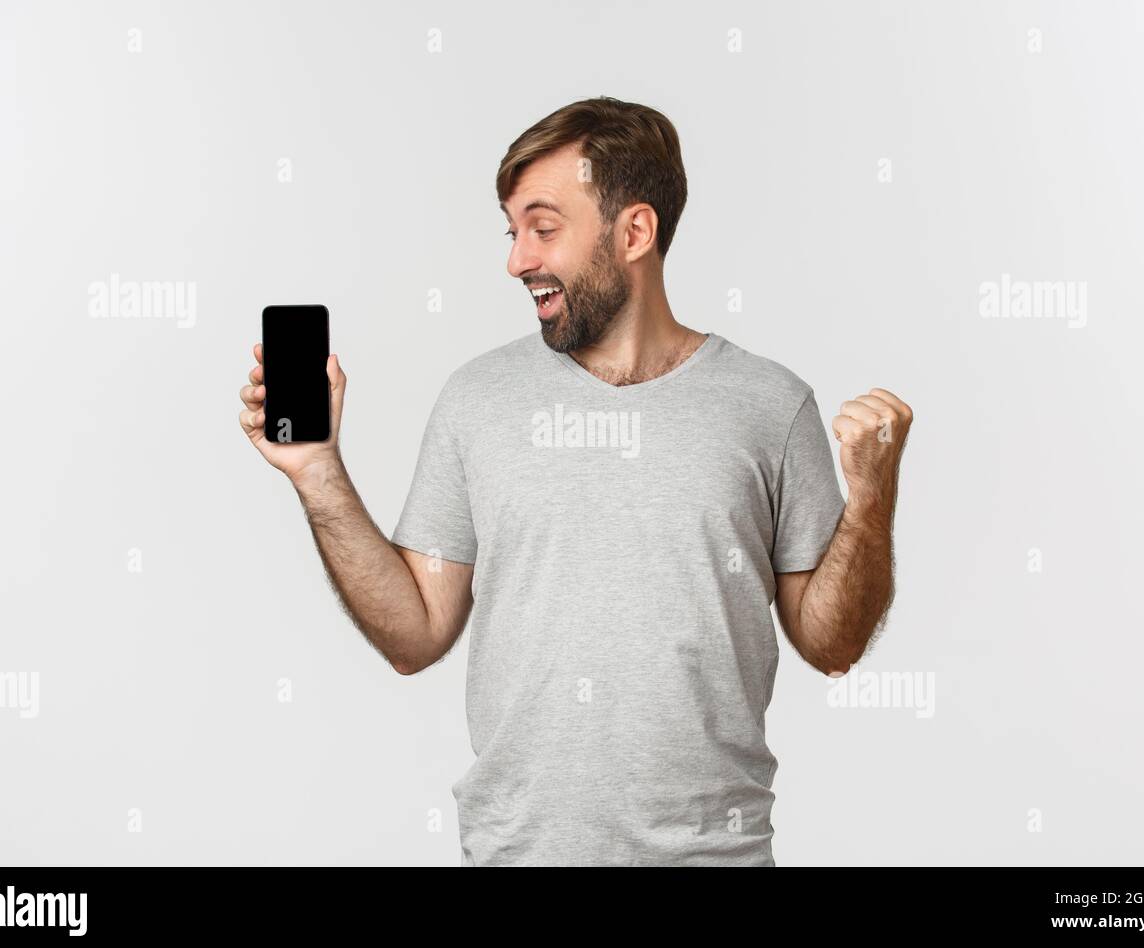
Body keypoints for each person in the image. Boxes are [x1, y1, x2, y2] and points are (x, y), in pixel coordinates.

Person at [238, 96, 913, 865]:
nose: (517, 259)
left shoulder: (770, 405)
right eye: (512, 229)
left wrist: (873, 497)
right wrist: (318, 472)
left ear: (635, 232)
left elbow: (831, 643)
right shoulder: (477, 400)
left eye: (543, 227)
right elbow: (413, 634)